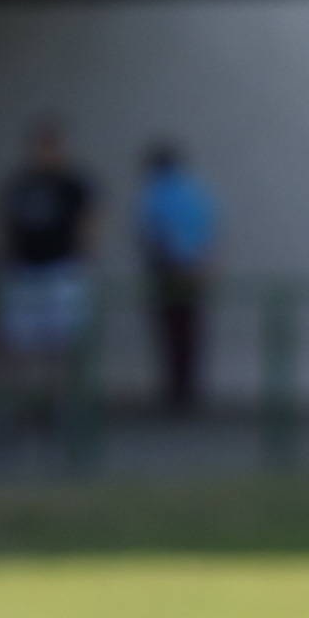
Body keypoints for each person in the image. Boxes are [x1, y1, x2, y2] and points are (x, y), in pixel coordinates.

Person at [0, 112, 104, 428]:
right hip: (24, 271)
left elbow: (90, 221)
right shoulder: (20, 184)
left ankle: (64, 407)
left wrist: (86, 257)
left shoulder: (73, 183)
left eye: (48, 146)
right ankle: (24, 406)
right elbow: (6, 225)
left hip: (61, 270)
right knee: (19, 344)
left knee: (64, 343)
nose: (42, 153)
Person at [134, 135, 221, 413]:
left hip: (167, 269)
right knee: (191, 330)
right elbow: (211, 231)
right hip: (196, 269)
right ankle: (190, 390)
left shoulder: (155, 193)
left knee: (170, 330)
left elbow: (148, 233)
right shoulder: (198, 192)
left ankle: (175, 391)